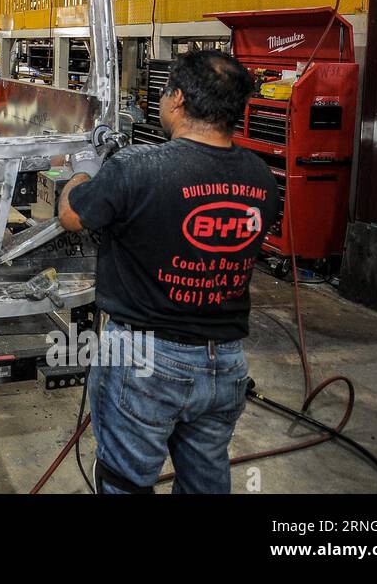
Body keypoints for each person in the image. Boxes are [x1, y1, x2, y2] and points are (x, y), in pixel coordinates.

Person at [58, 49, 279, 493]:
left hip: (145, 358)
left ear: (177, 100)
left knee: (126, 479)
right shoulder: (261, 178)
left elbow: (71, 217)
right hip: (225, 361)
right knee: (205, 480)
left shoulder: (138, 168)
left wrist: (81, 174)